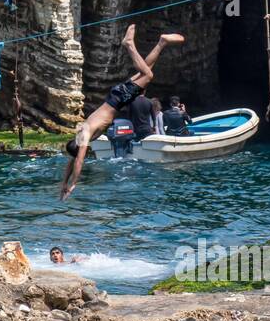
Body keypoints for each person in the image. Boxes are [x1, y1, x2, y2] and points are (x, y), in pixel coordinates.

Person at [59, 29, 184, 199]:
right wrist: (64, 183)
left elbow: (78, 161)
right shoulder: (80, 133)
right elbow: (72, 162)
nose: (86, 152)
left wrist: (73, 184)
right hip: (115, 97)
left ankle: (129, 45)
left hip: (118, 101)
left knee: (148, 74)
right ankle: (161, 43)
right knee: (145, 73)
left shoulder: (86, 135)